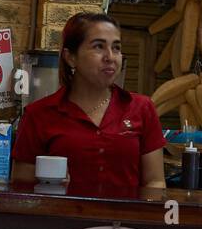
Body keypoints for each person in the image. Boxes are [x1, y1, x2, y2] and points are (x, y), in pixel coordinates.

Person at [11, 12, 166, 195]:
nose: (110, 56)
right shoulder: (39, 114)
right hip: (62, 220)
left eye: (116, 48)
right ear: (71, 57)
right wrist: (48, 188)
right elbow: (21, 186)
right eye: (98, 47)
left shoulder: (141, 107)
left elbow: (155, 182)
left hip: (123, 222)